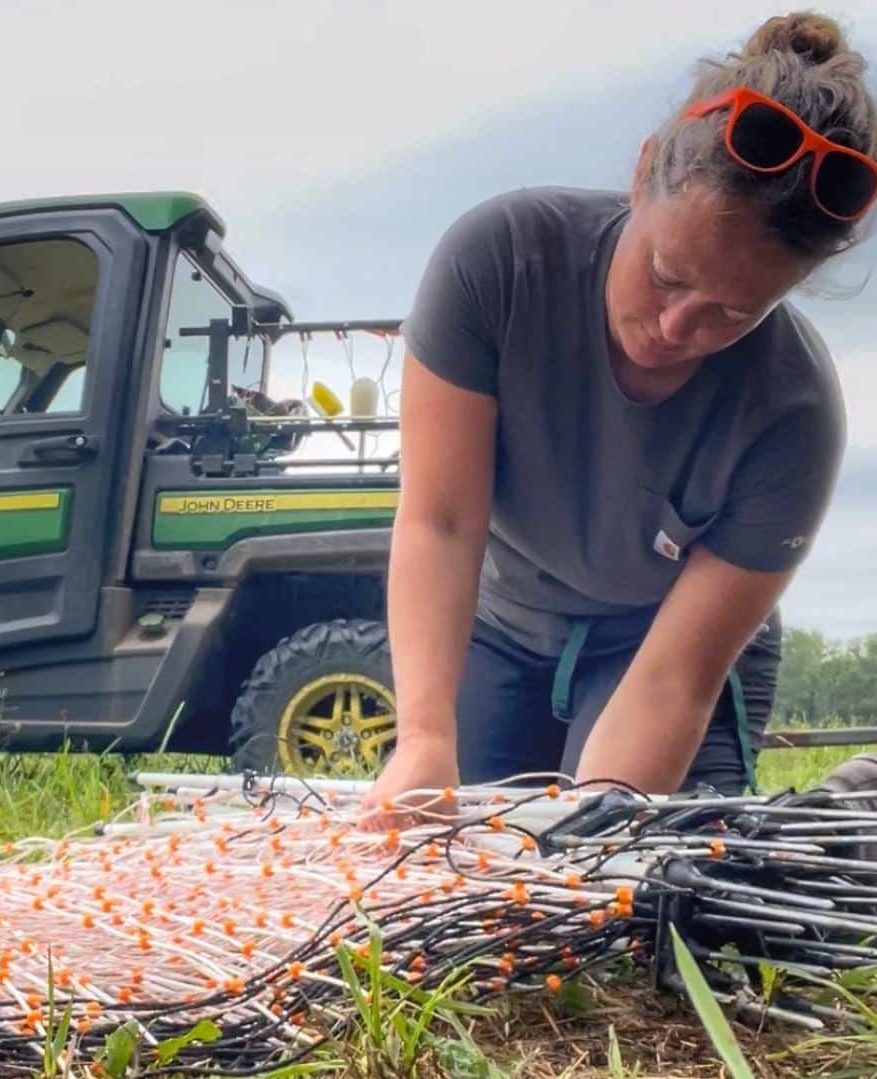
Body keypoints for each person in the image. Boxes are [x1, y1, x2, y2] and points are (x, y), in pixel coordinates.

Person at [358, 12, 877, 831]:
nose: (676, 330)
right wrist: (423, 733)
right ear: (642, 174)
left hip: (658, 645)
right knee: (453, 861)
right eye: (667, 274)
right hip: (505, 620)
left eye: (732, 314)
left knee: (632, 876)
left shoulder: (795, 415)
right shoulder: (498, 263)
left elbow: (676, 680)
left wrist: (587, 841)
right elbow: (442, 521)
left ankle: (842, 802)